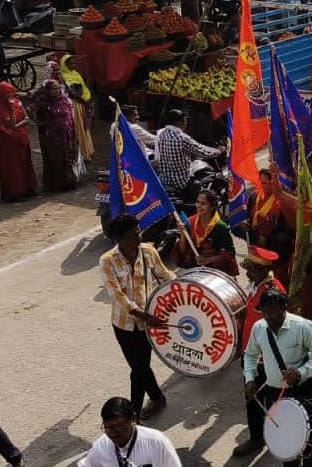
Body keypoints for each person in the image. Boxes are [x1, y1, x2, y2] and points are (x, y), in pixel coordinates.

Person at [99, 214, 175, 420]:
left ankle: (136, 411)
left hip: (148, 322)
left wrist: (181, 293)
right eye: (134, 235)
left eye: (139, 231)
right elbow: (118, 297)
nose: (139, 237)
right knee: (139, 367)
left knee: (140, 367)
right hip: (124, 324)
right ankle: (149, 403)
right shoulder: (107, 261)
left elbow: (166, 276)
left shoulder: (149, 252)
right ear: (120, 239)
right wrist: (144, 316)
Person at [243, 288, 312, 467]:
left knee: (307, 437)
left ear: (284, 307)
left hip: (303, 390)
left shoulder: (304, 326)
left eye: (272, 312)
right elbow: (250, 355)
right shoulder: (259, 328)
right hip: (275, 393)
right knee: (285, 437)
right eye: (264, 312)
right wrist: (250, 377)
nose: (268, 317)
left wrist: (301, 372)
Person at [233, 246, 285, 458]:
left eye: (251, 269)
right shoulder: (257, 285)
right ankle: (259, 435)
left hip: (265, 358)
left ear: (263, 270)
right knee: (253, 397)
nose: (247, 272)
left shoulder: (273, 291)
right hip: (251, 353)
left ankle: (264, 438)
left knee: (266, 398)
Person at [78, 397, 180, 467]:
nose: (113, 433)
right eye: (108, 427)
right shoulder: (101, 447)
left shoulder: (157, 443)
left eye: (119, 426)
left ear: (133, 419)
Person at [155, 109, 222, 201]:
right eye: (185, 120)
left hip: (165, 179)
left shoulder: (161, 134)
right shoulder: (182, 138)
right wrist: (218, 151)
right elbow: (202, 151)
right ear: (180, 122)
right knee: (204, 197)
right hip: (181, 181)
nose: (186, 123)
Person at [246, 166, 297, 286]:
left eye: (263, 183)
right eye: (259, 183)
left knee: (281, 280)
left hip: (279, 249)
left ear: (272, 183)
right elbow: (250, 218)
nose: (260, 186)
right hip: (260, 247)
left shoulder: (281, 200)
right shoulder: (253, 198)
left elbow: (289, 227)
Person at [174, 189, 239, 275]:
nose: (199, 206)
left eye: (203, 204)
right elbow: (182, 251)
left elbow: (228, 254)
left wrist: (207, 260)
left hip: (216, 271)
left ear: (212, 207)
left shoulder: (220, 227)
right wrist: (182, 234)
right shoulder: (190, 222)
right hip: (194, 269)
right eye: (197, 202)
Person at [31, 79, 78, 192]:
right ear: (48, 90)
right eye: (54, 88)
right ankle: (57, 184)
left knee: (68, 158)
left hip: (66, 135)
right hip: (52, 137)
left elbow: (70, 118)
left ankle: (69, 182)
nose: (57, 91)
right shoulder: (42, 103)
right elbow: (38, 120)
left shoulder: (64, 100)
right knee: (56, 160)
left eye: (58, 88)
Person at [0, 82, 37, 202]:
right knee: (12, 166)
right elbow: (9, 124)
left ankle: (28, 188)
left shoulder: (17, 102)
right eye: (8, 93)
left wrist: (16, 126)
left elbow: (26, 119)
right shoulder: (3, 107)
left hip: (21, 138)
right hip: (8, 141)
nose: (11, 95)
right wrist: (11, 111)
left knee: (25, 163)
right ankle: (15, 191)